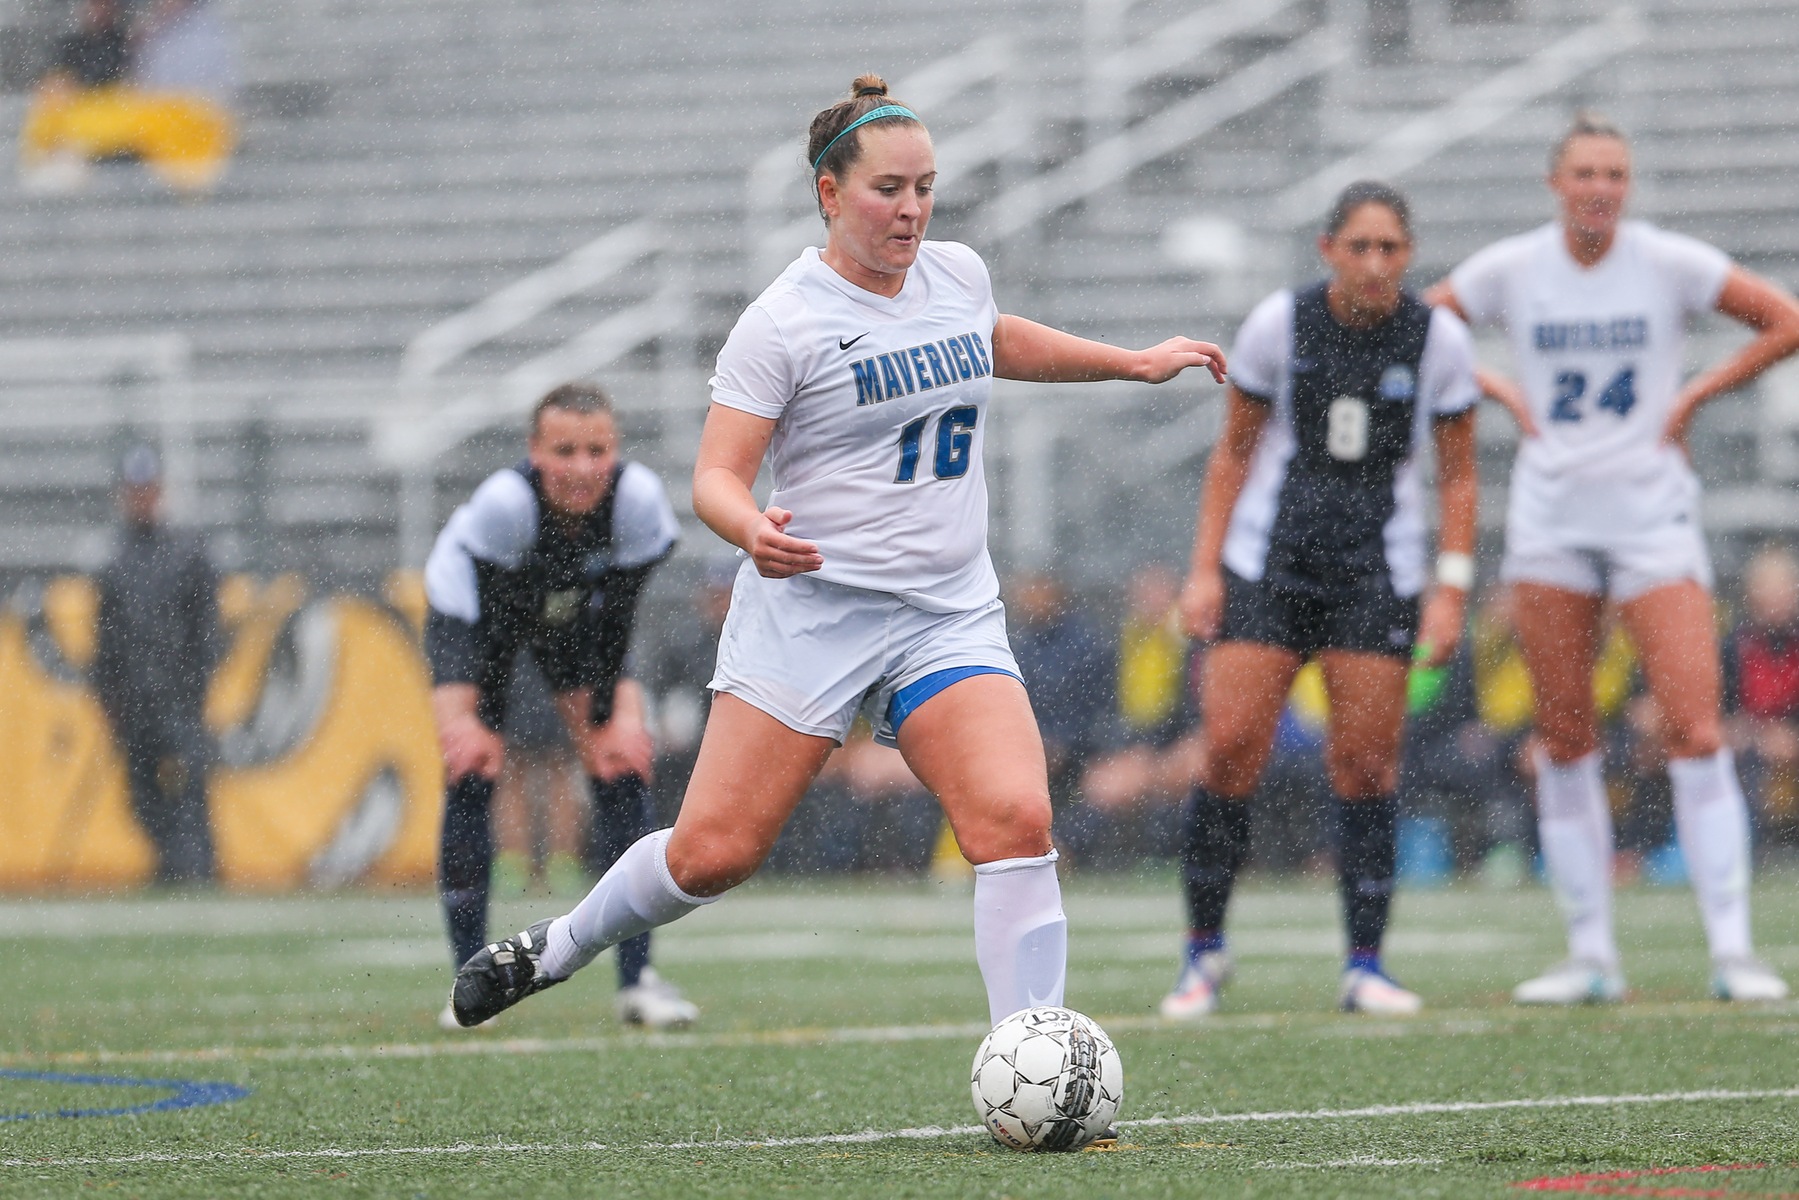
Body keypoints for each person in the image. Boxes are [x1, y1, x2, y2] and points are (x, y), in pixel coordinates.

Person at [448, 75, 1226, 1038]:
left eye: (924, 188)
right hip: (813, 611)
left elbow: (992, 341)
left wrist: (1130, 361)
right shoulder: (782, 321)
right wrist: (750, 531)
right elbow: (715, 477)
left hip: (945, 611)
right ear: (827, 192)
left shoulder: (957, 274)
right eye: (887, 189)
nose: (910, 210)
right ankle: (559, 946)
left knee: (1015, 820)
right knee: (712, 855)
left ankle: (1034, 1060)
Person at [1426, 112, 1799, 1004]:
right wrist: (1497, 385)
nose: (1600, 187)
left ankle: (1732, 950)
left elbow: (1782, 321)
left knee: (1694, 728)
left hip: (1650, 515)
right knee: (1562, 737)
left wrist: (1698, 394)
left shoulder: (1667, 261)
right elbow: (1417, 325)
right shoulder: (1513, 268)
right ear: (1555, 183)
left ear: (1627, 187)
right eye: (1585, 172)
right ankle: (1590, 955)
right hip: (1552, 516)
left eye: (1615, 174)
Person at [1162, 180, 1480, 1020]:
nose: (1374, 264)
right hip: (1269, 561)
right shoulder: (1280, 324)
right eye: (1359, 247)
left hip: (1375, 572)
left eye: (1390, 249)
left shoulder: (1436, 338)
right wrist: (1204, 570)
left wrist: (1449, 591)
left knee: (1366, 766)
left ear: (1408, 256)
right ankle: (1203, 956)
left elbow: (1457, 473)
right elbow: (1233, 453)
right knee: (1229, 750)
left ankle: (1365, 964)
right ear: (1327, 250)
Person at [423, 382, 697, 1031]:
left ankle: (637, 981)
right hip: (475, 613)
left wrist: (609, 716)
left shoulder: (637, 504)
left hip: (574, 613)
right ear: (534, 452)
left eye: (596, 450)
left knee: (620, 763)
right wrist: (481, 723)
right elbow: (493, 636)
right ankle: (470, 983)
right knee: (471, 764)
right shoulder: (502, 509)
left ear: (617, 450)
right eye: (564, 450)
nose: (581, 468)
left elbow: (616, 625)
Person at [92, 443, 221, 886]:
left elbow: (207, 626)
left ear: (160, 491)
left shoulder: (187, 551)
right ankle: (172, 865)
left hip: (178, 696)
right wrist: (108, 693)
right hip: (134, 698)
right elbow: (106, 636)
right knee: (142, 793)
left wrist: (193, 684)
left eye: (147, 489)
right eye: (134, 490)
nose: (141, 498)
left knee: (188, 788)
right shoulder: (115, 559)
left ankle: (197, 870)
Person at [1724, 546, 1799, 850]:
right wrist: (1748, 731)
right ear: (1751, 594)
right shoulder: (1733, 644)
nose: (1773, 597)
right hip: (1750, 742)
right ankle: (1749, 847)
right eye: (1765, 588)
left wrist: (1792, 736)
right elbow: (1722, 708)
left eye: (1781, 587)